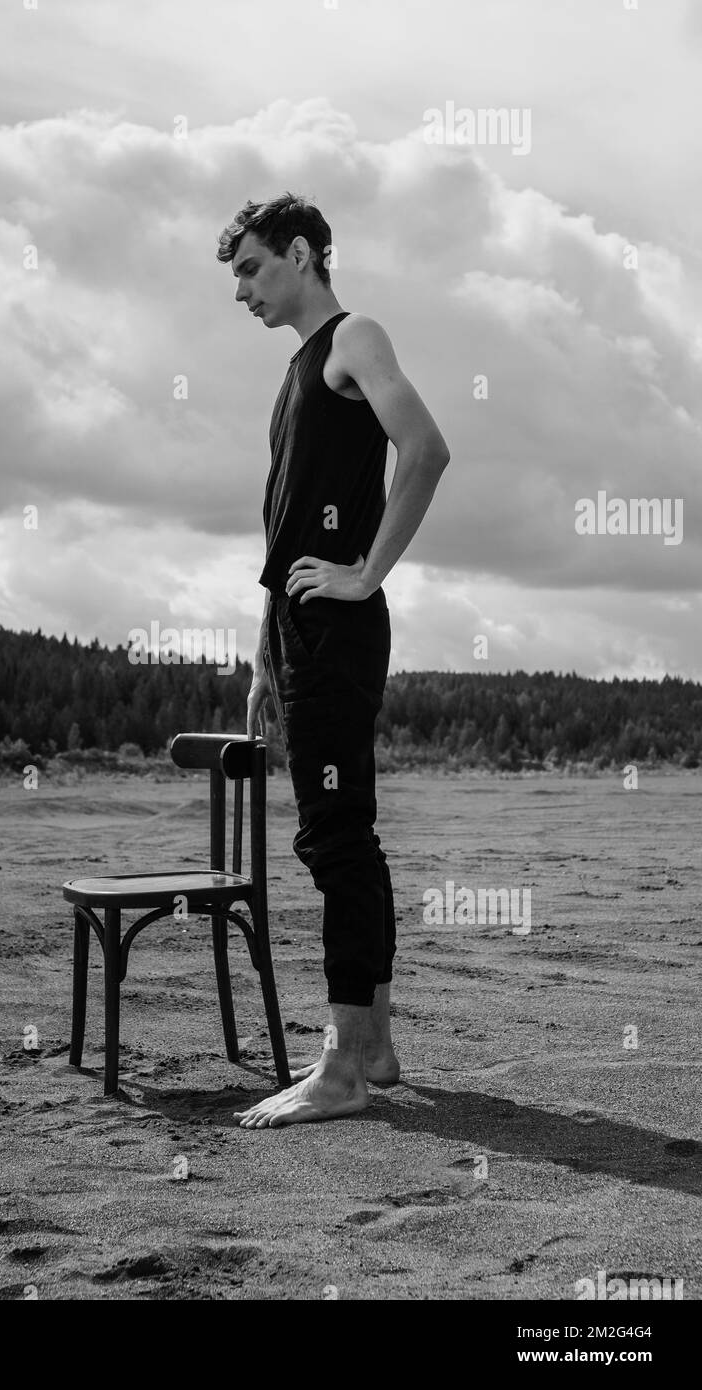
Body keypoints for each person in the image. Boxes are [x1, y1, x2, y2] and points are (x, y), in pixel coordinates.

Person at [216, 192, 450, 1128]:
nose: (241, 291)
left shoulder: (356, 338)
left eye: (252, 268)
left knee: (335, 840)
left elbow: (427, 451)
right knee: (340, 833)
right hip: (296, 631)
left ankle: (342, 1068)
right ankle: (376, 1047)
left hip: (337, 626)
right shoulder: (298, 369)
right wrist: (266, 658)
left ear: (304, 254)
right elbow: (286, 523)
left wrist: (363, 574)